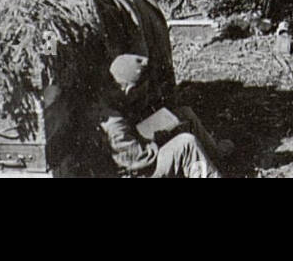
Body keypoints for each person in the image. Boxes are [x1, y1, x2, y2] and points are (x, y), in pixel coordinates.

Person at [97, 54, 228, 179]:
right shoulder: (113, 124)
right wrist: (156, 142)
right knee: (186, 144)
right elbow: (138, 161)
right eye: (140, 93)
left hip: (137, 146)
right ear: (128, 90)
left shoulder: (115, 97)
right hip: (137, 171)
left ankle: (214, 154)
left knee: (184, 114)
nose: (144, 97)